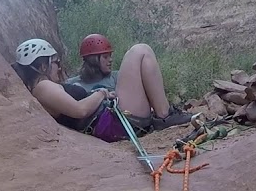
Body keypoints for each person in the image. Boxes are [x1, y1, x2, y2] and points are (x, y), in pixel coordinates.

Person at [11, 38, 193, 143]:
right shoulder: (42, 87)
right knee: (140, 51)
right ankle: (165, 116)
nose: (59, 67)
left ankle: (164, 114)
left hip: (112, 121)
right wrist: (101, 93)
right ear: (43, 65)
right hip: (116, 123)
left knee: (140, 53)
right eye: (56, 62)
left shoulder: (44, 88)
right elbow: (79, 110)